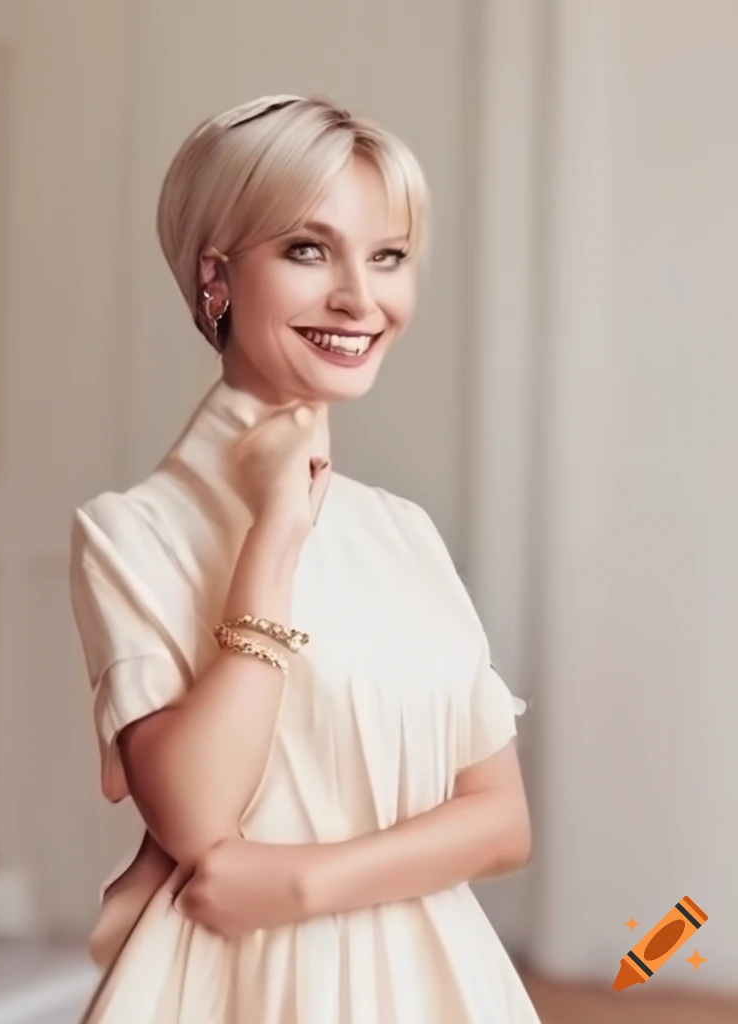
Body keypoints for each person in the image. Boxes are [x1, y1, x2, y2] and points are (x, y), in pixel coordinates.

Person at [68, 94, 541, 1023]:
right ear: (217, 277)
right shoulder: (131, 532)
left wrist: (299, 885)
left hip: (438, 985)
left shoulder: (403, 531)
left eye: (389, 256)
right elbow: (199, 817)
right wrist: (276, 531)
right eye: (308, 249)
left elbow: (502, 819)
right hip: (235, 990)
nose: (360, 299)